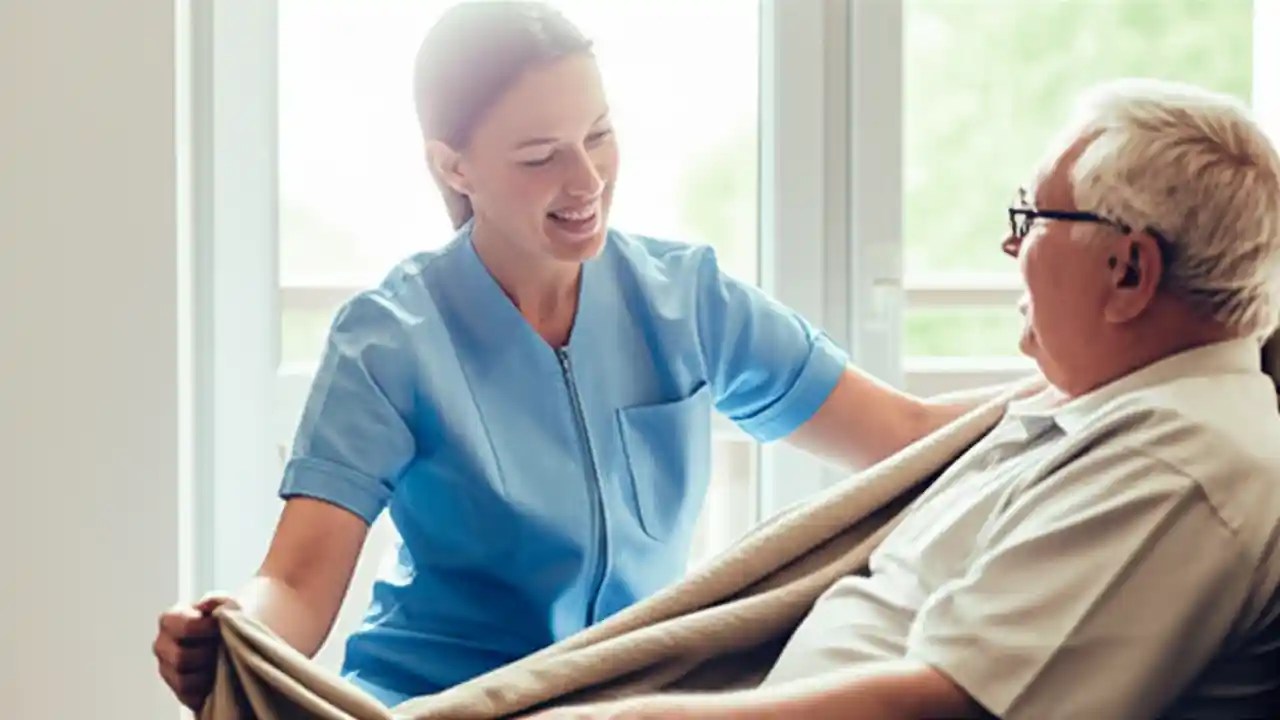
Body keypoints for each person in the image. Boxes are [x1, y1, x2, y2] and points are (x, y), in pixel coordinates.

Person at [153, 2, 986, 711]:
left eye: (599, 135)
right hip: (440, 705)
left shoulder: (686, 297)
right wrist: (232, 633)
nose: (586, 179)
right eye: (540, 156)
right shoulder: (389, 339)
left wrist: (1095, 388)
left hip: (634, 701)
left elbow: (908, 431)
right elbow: (296, 583)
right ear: (454, 167)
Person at [528, 80, 1280, 719]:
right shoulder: (1115, 413)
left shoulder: (1178, 468)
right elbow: (910, 434)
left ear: (1128, 272)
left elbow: (937, 705)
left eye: (1032, 218)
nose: (1011, 249)